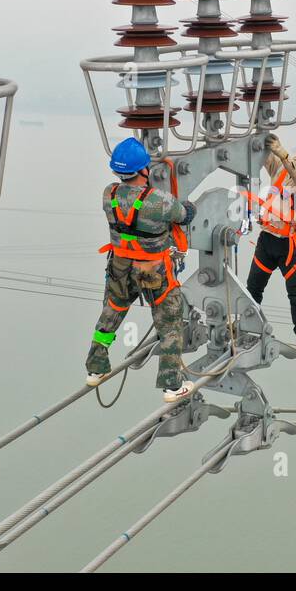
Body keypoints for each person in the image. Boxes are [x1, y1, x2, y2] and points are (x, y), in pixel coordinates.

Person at [86, 138, 198, 403]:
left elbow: (132, 204)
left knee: (111, 313)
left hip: (120, 266)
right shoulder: (159, 201)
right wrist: (187, 205)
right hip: (153, 269)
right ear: (144, 170)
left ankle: (95, 368)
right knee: (169, 322)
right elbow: (184, 215)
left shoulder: (109, 194)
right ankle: (172, 385)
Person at [246, 133, 296, 351]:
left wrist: (282, 152)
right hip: (267, 239)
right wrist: (261, 134)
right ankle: (245, 325)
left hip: (289, 243)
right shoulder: (283, 168)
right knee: (253, 287)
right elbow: (268, 158)